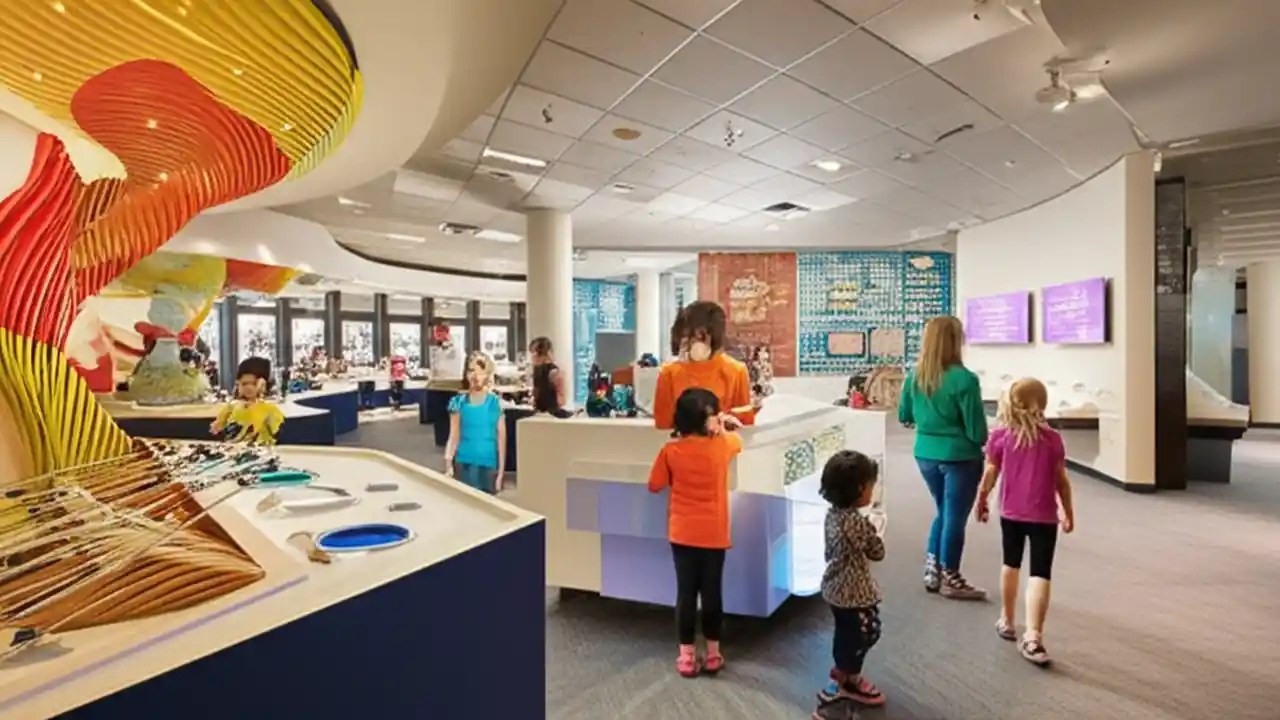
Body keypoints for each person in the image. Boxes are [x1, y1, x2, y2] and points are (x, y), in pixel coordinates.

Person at [975, 378, 1076, 666]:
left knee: (1011, 564)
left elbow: (991, 471)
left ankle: (1007, 620)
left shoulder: (1001, 436)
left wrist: (981, 498)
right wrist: (1068, 510)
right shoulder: (1053, 440)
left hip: (1011, 513)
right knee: (1040, 573)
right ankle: (1033, 636)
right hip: (1044, 516)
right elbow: (1062, 481)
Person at [647, 387, 742, 678]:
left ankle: (686, 655)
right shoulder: (722, 446)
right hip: (713, 533)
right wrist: (725, 428)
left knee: (686, 594)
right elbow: (738, 441)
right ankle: (713, 653)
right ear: (705, 421)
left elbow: (654, 484)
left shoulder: (670, 450)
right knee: (712, 593)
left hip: (682, 533)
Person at [899, 315, 989, 600]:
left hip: (924, 454)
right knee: (954, 517)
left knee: (943, 511)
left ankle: (932, 568)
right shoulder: (965, 379)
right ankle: (951, 575)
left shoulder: (915, 376)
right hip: (960, 457)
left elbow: (905, 416)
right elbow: (977, 431)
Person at [813, 450, 886, 719]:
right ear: (858, 489)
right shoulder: (856, 522)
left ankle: (846, 673)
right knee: (865, 632)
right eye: (870, 485)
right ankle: (842, 684)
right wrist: (874, 527)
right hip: (855, 593)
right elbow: (877, 552)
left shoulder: (833, 514)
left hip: (835, 589)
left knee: (846, 633)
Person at [652, 301, 755, 432]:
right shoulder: (669, 373)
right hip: (683, 447)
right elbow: (662, 423)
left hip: (722, 448)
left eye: (700, 336)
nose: (693, 342)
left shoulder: (736, 371)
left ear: (715, 336)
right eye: (688, 336)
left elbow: (744, 422)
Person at [445, 353, 506, 494]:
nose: (475, 376)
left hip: (488, 467)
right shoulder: (458, 402)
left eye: (480, 372)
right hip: (463, 464)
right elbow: (453, 436)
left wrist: (501, 474)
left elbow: (501, 441)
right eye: (471, 370)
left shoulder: (495, 403)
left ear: (487, 375)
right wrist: (448, 465)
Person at [210, 357, 285, 445]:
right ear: (238, 384)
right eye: (244, 384)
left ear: (263, 384)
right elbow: (215, 430)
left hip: (260, 451)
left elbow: (277, 434)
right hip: (232, 449)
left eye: (254, 383)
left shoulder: (270, 410)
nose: (249, 388)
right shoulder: (231, 407)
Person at [529, 336, 571, 418]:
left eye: (534, 353)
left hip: (552, 417)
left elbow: (561, 400)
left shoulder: (554, 372)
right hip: (543, 415)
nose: (532, 357)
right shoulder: (539, 372)